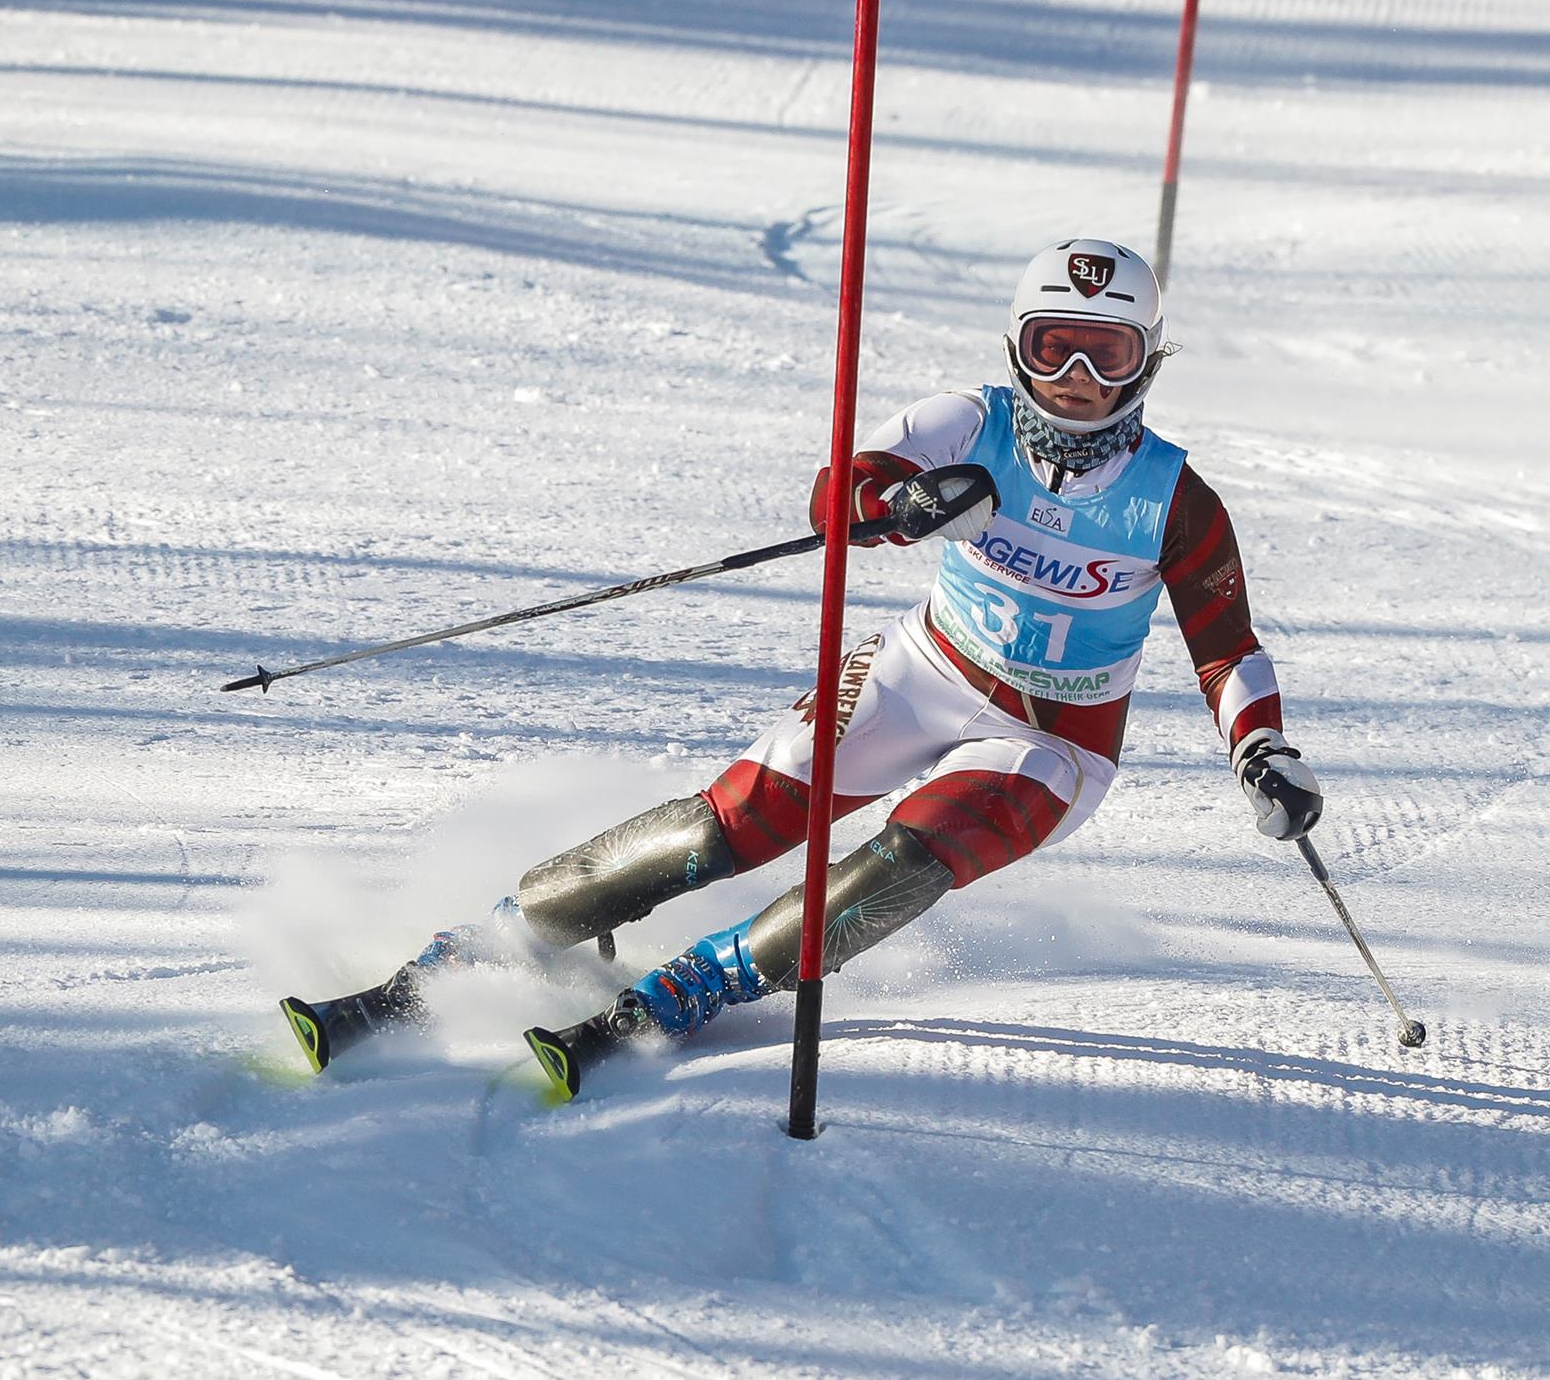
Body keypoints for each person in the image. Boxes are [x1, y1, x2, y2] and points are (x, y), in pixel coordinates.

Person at [280, 238, 1323, 1099]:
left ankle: (687, 991)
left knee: (905, 857)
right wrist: (900, 505)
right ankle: (473, 951)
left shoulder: (1175, 498)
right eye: (1054, 350)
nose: (1077, 383)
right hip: (924, 667)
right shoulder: (969, 423)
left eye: (1105, 354)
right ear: (1015, 347)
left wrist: (1260, 747)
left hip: (1055, 739)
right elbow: (842, 493)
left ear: (1145, 361)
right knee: (723, 825)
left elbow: (1223, 642)